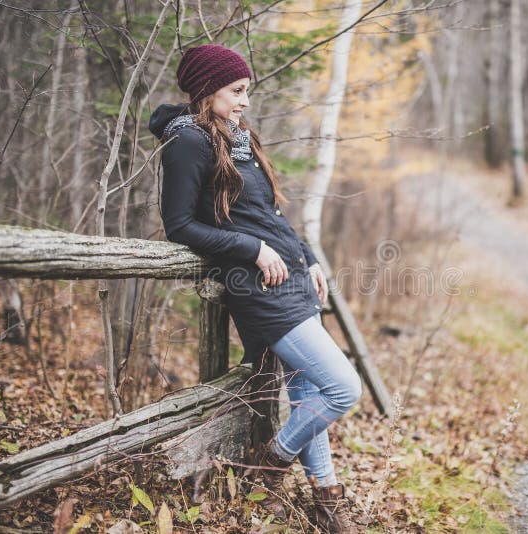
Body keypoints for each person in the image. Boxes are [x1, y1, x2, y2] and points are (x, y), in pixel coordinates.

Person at [148, 44, 361, 533]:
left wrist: (307, 258)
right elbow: (179, 225)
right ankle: (270, 462)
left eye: (248, 91)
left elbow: (269, 213)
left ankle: (327, 501)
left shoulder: (238, 137)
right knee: (342, 388)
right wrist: (252, 249)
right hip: (258, 286)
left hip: (288, 276)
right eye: (237, 91)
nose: (245, 101)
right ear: (208, 90)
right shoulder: (188, 142)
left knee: (309, 388)